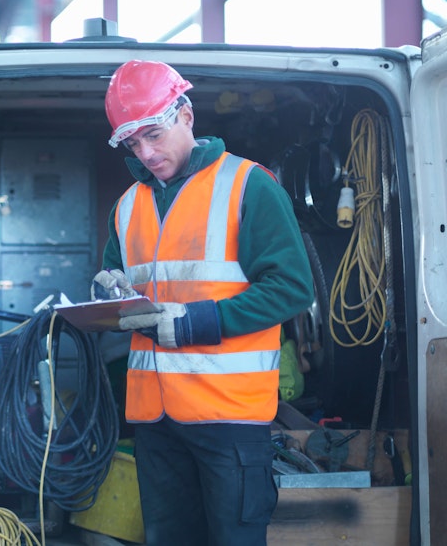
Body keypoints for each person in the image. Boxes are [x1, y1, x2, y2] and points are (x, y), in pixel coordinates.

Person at [91, 60, 314, 546]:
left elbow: (293, 287)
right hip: (155, 418)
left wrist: (199, 323)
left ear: (186, 115)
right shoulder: (128, 205)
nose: (146, 153)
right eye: (132, 144)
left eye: (153, 134)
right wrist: (105, 295)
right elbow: (119, 284)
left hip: (227, 417)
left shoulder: (247, 185)